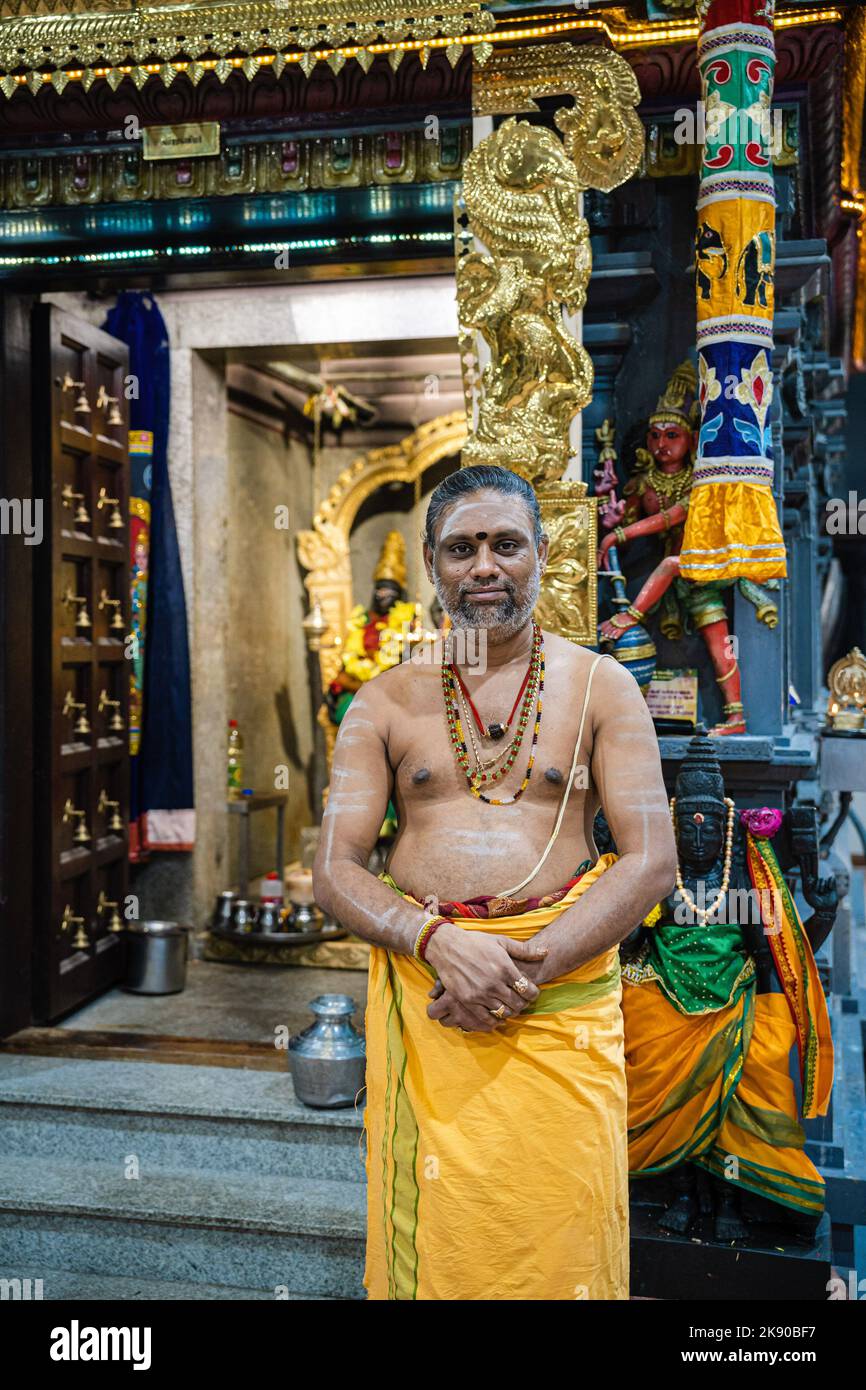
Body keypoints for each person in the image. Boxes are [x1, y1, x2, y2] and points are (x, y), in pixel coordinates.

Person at [313, 463, 677, 1300]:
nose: (485, 566)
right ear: (433, 564)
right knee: (437, 1241)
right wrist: (438, 943)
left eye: (506, 544)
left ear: (543, 553)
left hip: (556, 1004)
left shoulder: (602, 686)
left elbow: (652, 858)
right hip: (430, 994)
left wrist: (520, 971)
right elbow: (333, 869)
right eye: (462, 548)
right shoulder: (383, 701)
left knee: (561, 1234)